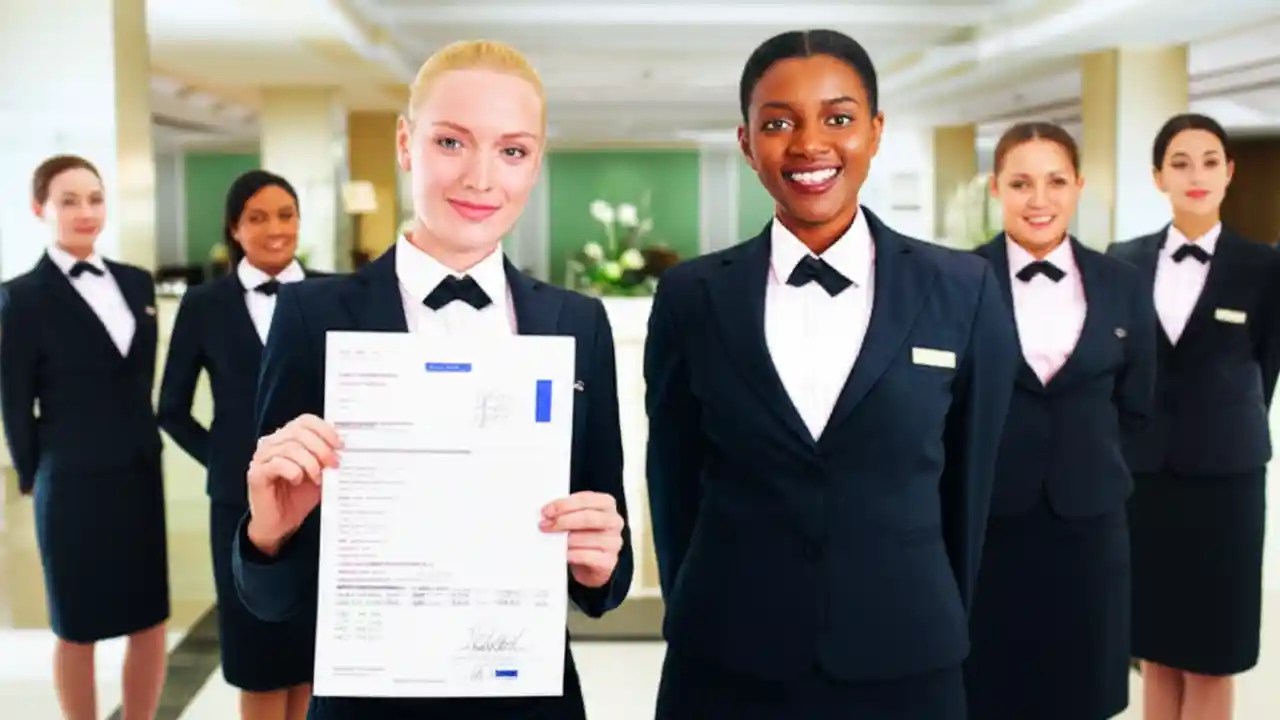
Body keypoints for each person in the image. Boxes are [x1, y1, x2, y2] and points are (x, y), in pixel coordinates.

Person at [230, 40, 633, 720]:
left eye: (512, 151)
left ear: (535, 163)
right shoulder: (309, 317)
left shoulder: (578, 323)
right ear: (405, 143)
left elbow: (605, 574)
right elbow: (273, 600)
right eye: (452, 141)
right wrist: (267, 535)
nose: (482, 179)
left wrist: (601, 560)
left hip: (528, 698)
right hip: (367, 700)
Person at [643, 29, 1018, 719]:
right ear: (746, 142)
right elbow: (674, 488)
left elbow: (972, 489)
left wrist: (933, 616)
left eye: (838, 118)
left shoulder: (963, 289)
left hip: (906, 656)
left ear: (875, 132)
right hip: (726, 657)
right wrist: (705, 606)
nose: (809, 144)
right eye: (778, 123)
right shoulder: (691, 297)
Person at [965, 122, 1157, 720]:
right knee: (989, 687)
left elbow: (1138, 402)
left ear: (1079, 186)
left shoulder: (1122, 282)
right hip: (989, 522)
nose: (1039, 199)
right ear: (996, 188)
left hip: (1091, 524)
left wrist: (1091, 462)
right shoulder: (958, 280)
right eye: (1021, 183)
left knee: (1084, 688)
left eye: (1055, 181)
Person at [1108, 113, 1280, 720]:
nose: (1196, 175)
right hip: (1146, 479)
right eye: (1180, 163)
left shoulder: (1265, 267)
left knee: (1213, 654)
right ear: (1159, 176)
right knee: (1155, 649)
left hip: (1225, 484)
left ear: (1229, 173)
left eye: (1209, 161)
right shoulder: (1123, 260)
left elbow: (1267, 367)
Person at [0, 155, 168, 719]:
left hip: (139, 473)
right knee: (77, 626)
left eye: (94, 198)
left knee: (149, 619)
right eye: (68, 201)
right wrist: (32, 474)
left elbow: (140, 381)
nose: (85, 212)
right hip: (70, 480)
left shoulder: (135, 282)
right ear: (39, 209)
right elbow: (15, 401)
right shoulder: (19, 298)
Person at [158, 170, 324, 720]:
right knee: (256, 655)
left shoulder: (333, 295)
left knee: (309, 655)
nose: (275, 228)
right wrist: (229, 467)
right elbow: (171, 409)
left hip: (323, 500)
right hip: (239, 507)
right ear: (234, 228)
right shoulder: (206, 304)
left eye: (285, 214)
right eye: (257, 217)